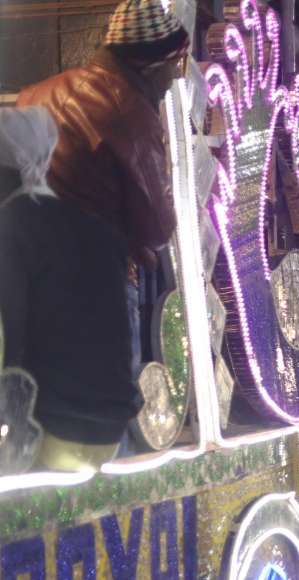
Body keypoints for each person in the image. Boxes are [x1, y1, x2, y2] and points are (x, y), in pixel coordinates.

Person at [17, 0, 188, 373]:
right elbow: (158, 228)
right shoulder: (130, 114)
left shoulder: (35, 95)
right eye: (173, 65)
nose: (175, 77)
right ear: (149, 64)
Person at [0, 106, 140, 470]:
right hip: (111, 433)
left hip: (51, 431)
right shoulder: (95, 228)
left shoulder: (12, 226)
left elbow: (7, 342)